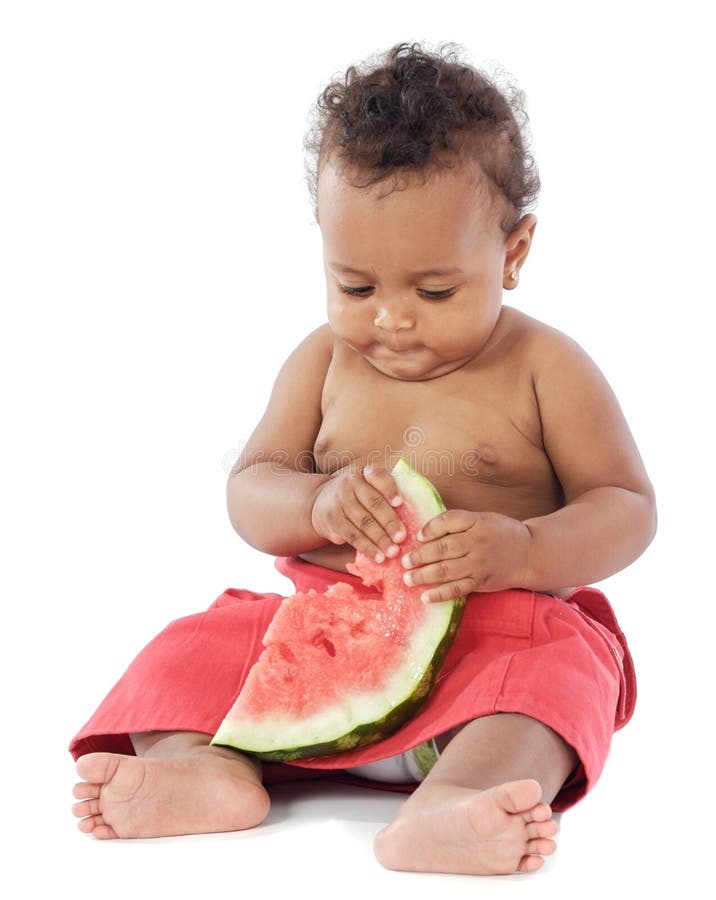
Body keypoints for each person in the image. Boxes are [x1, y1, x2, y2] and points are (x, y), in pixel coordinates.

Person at [69, 42, 656, 876]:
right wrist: (312, 504)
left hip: (487, 649)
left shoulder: (547, 368)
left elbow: (626, 505)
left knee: (566, 668)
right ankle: (205, 771)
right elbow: (251, 489)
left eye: (435, 291)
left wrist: (526, 550)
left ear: (514, 253)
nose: (391, 319)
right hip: (319, 637)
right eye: (355, 287)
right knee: (189, 645)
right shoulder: (322, 361)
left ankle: (458, 799)